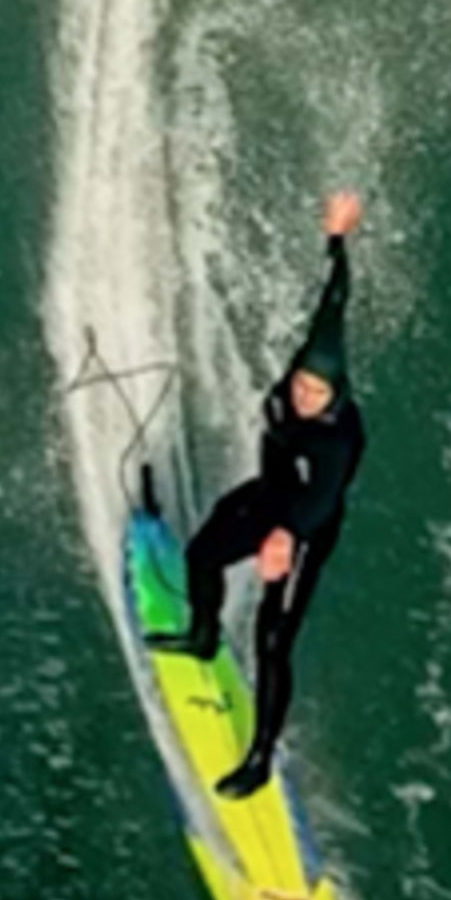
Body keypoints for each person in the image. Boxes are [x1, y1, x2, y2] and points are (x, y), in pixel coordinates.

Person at [153, 191, 367, 799]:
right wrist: (337, 239)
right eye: (300, 384)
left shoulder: (339, 440)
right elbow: (336, 298)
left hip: (306, 526)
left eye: (315, 394)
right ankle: (201, 635)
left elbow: (323, 498)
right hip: (272, 496)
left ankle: (260, 759)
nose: (302, 398)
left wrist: (286, 536)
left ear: (336, 396)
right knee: (201, 556)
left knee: (274, 639)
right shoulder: (315, 355)